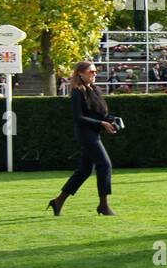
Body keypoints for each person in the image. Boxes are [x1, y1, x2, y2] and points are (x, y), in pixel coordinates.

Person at [47, 61, 118, 217]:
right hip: (85, 134)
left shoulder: (94, 90)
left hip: (93, 133)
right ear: (80, 73)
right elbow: (78, 117)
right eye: (91, 71)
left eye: (95, 72)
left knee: (84, 171)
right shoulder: (77, 92)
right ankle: (103, 205)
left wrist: (112, 120)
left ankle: (58, 201)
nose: (94, 74)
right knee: (105, 164)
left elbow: (101, 114)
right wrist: (102, 123)